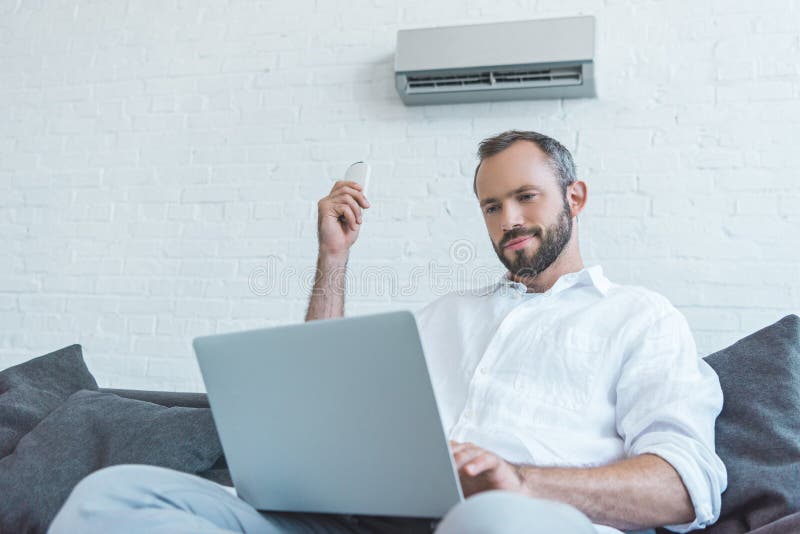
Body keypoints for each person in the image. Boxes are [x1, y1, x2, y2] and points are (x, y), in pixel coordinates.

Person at [50, 130, 726, 534]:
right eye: (492, 206)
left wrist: (520, 480)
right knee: (115, 494)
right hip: (361, 521)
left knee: (484, 520)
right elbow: (321, 389)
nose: (509, 220)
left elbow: (685, 486)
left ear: (573, 199)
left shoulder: (640, 317)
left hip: (511, 521)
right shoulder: (443, 316)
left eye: (527, 198)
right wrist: (334, 259)